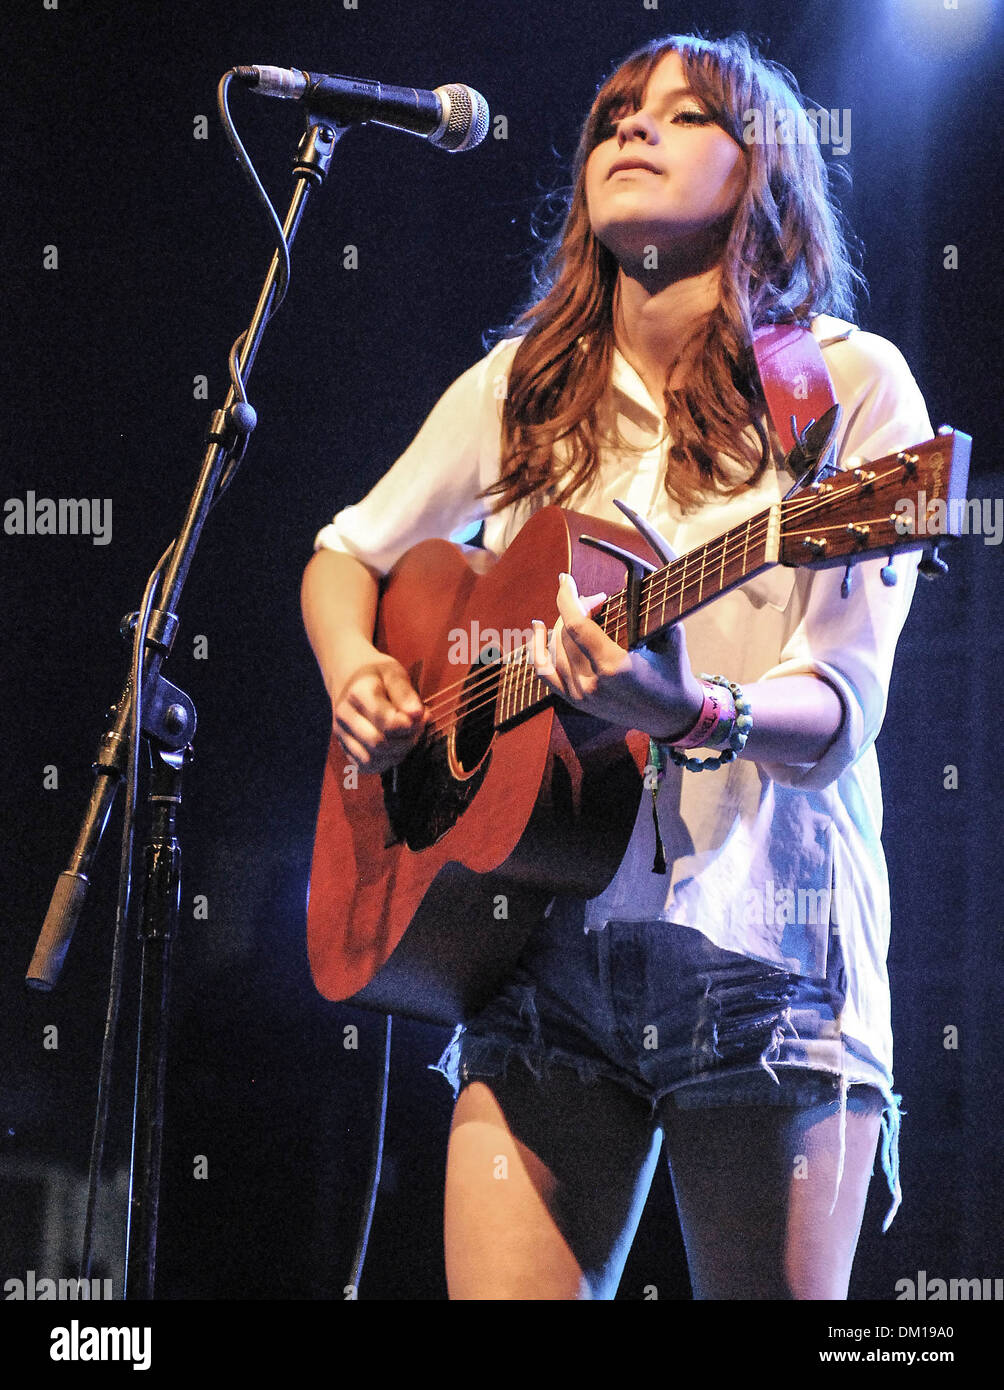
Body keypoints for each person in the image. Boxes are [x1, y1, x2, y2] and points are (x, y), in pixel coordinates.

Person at [300, 32, 933, 1299]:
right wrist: (357, 667)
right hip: (529, 945)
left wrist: (685, 705)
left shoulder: (847, 389)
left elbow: (840, 711)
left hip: (763, 961)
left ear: (762, 174)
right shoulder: (517, 387)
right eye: (611, 117)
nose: (631, 130)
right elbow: (343, 551)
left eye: (684, 115)